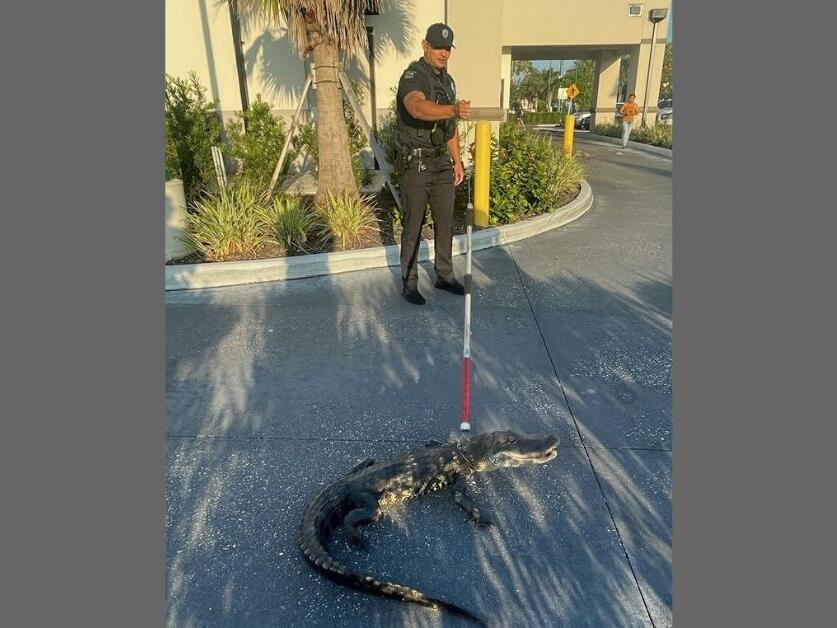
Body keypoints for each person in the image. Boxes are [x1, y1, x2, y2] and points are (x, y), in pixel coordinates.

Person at [394, 23, 471, 305]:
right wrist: (452, 108)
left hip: (441, 165)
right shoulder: (413, 76)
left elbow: (449, 126)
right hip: (416, 164)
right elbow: (416, 106)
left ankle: (444, 275)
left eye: (447, 48)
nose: (443, 53)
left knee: (445, 223)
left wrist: (457, 160)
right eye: (438, 47)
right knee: (413, 225)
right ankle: (409, 283)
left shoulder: (447, 81)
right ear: (425, 45)